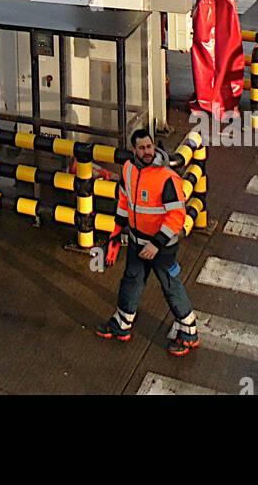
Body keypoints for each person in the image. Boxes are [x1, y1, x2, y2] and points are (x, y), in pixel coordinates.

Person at [95, 128, 200, 356]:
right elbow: (124, 202)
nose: (147, 152)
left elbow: (176, 216)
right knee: (131, 281)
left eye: (150, 146)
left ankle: (189, 330)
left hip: (162, 248)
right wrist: (114, 236)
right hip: (136, 242)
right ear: (134, 150)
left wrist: (156, 244)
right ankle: (122, 323)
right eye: (142, 148)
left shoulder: (167, 178)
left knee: (171, 286)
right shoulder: (129, 169)